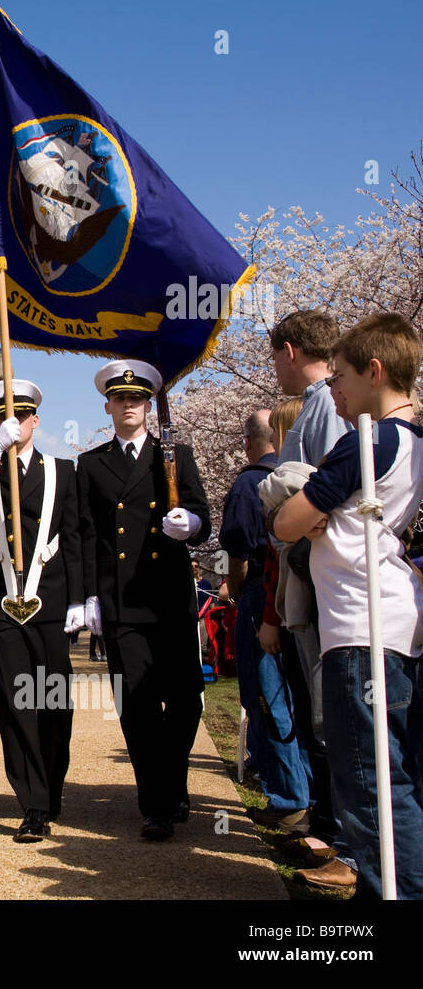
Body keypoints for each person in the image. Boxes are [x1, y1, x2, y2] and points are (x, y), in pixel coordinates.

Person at [273, 312, 423, 899]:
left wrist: (306, 519)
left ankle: (395, 892)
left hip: (361, 627)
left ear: (376, 372)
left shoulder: (368, 440)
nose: (332, 390)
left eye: (340, 378)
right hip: (392, 621)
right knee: (394, 772)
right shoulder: (414, 443)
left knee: (370, 779)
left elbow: (288, 522)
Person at [76, 359, 211, 840]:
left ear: (148, 405)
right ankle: (155, 803)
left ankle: (173, 781)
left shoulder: (175, 455)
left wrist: (189, 524)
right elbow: (87, 532)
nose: (128, 405)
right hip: (121, 599)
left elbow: (201, 514)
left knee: (185, 700)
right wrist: (88, 595)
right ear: (108, 406)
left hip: (169, 595)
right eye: (120, 399)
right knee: (136, 703)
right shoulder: (90, 463)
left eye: (137, 399)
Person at [0, 378, 83, 841]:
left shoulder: (63, 471)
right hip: (0, 599)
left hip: (50, 600)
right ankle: (31, 802)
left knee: (53, 702)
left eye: (17, 417)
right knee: (14, 703)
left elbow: (73, 538)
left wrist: (80, 599)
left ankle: (51, 787)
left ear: (35, 420)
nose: (9, 424)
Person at [267, 310, 357, 890]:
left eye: (275, 355)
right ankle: (330, 825)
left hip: (325, 581)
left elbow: (324, 493)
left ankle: (348, 845)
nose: (273, 369)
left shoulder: (324, 406)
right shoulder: (320, 404)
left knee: (334, 716)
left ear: (292, 350)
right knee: (321, 713)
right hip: (309, 579)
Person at [219, 410, 310, 831]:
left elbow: (238, 549)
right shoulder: (306, 474)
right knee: (298, 694)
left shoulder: (247, 483)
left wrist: (236, 591)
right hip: (305, 592)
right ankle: (304, 789)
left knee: (264, 694)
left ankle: (289, 798)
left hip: (263, 588)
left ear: (247, 442)